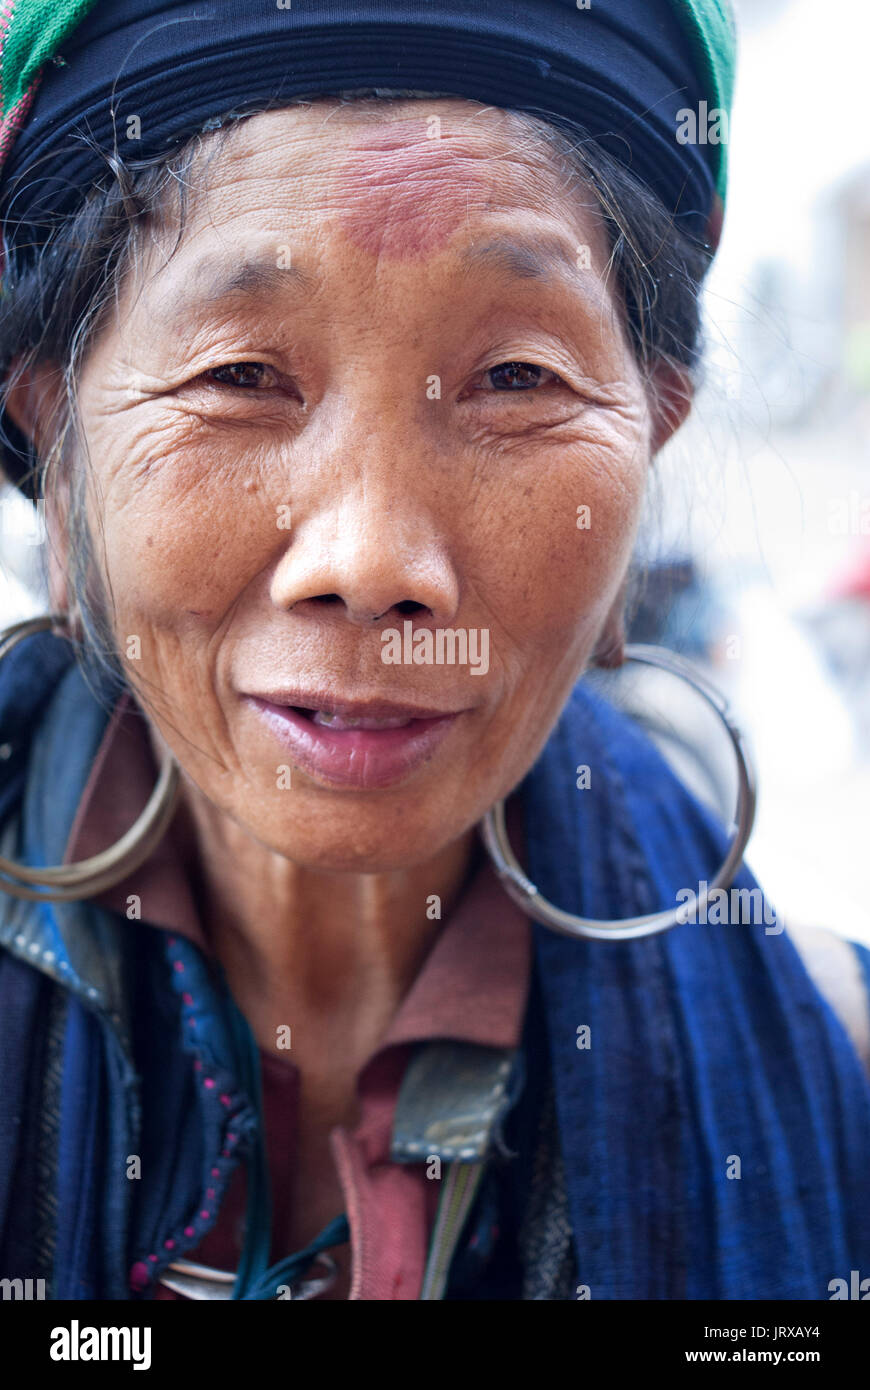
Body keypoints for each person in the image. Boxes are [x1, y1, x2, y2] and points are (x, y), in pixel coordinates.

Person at [0, 0, 868, 1302]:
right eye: (240, 375)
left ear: (650, 445)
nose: (372, 561)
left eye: (516, 378)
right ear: (60, 454)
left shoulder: (837, 1063)